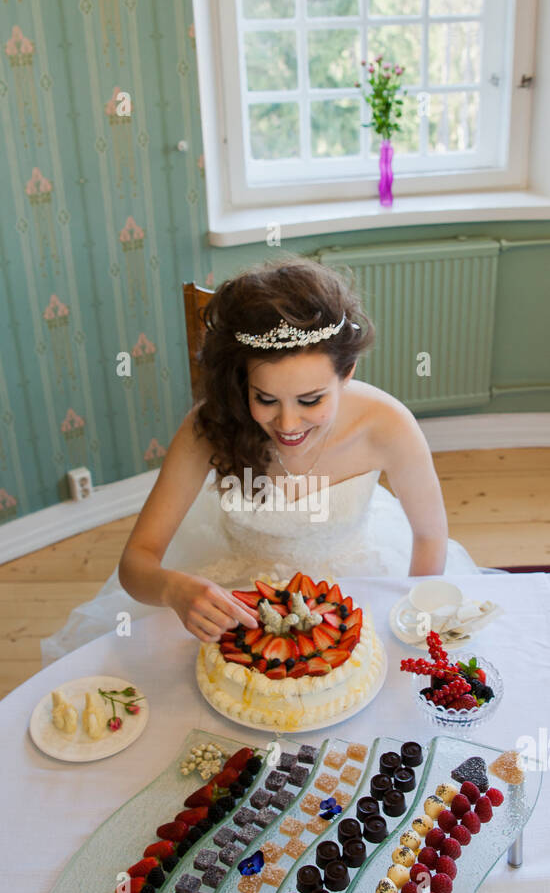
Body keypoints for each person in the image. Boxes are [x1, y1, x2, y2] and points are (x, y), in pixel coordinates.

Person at [41, 256, 479, 664]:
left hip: (357, 587)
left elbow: (428, 536)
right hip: (235, 596)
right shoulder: (208, 426)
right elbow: (136, 562)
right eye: (265, 399)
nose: (288, 423)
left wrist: (405, 618)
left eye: (311, 400)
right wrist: (174, 589)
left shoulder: (388, 426)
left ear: (346, 374)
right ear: (242, 381)